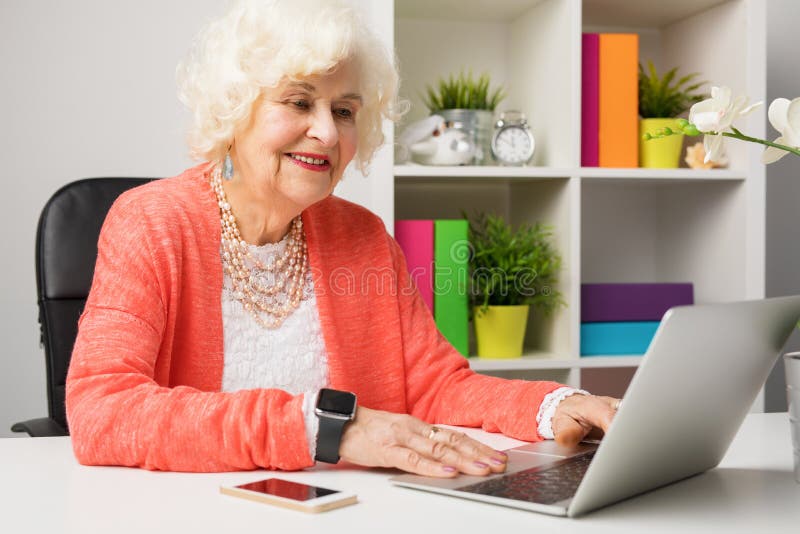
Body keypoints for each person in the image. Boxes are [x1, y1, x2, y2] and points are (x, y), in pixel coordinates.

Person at [66, 0, 619, 476]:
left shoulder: (363, 235)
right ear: (235, 110)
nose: (327, 132)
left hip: (346, 511)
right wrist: (325, 428)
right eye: (299, 102)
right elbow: (102, 411)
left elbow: (433, 388)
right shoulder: (150, 223)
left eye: (345, 111)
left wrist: (553, 405)